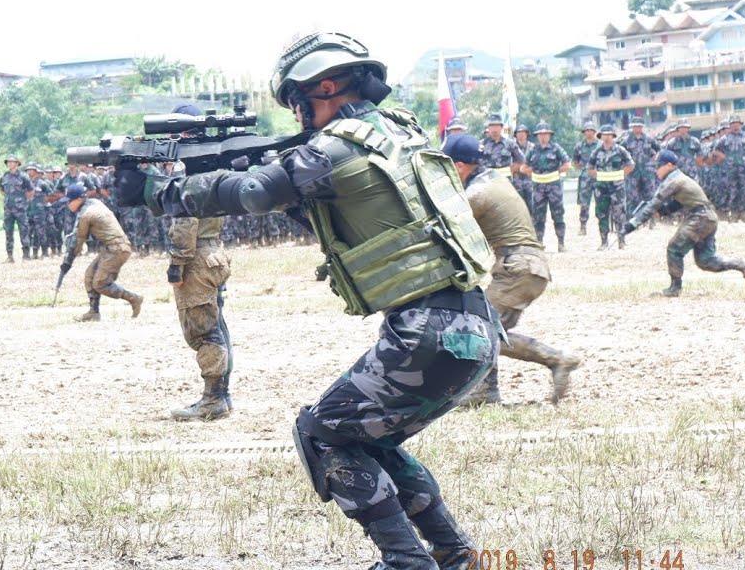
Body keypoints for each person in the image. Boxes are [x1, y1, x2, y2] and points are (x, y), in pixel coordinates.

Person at [115, 32, 498, 569]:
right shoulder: (398, 133)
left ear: (326, 86)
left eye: (298, 101)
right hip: (473, 325)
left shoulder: (336, 147)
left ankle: (406, 561)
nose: (297, 115)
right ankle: (455, 555)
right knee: (367, 438)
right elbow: (328, 213)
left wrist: (158, 192)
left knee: (321, 434)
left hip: (427, 331)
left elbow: (254, 192)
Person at [442, 136, 581, 405]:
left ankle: (556, 359)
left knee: (478, 328)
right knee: (491, 330)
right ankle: (488, 391)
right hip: (526, 266)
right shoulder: (494, 179)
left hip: (518, 267)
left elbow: (447, 225)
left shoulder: (477, 193)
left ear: (459, 167)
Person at [165, 103, 234, 421]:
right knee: (217, 328)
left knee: (204, 331)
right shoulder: (213, 167)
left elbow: (185, 220)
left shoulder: (190, 172)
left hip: (196, 257)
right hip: (214, 251)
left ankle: (212, 400)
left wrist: (176, 263)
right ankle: (222, 396)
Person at [625, 150, 745, 297]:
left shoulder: (673, 181)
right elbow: (680, 202)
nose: (656, 170)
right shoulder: (680, 178)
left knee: (674, 248)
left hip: (701, 217)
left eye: (658, 166)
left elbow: (654, 204)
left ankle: (675, 288)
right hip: (708, 217)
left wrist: (632, 224)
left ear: (669, 165)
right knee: (706, 260)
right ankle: (742, 265)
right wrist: (663, 212)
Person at [60, 183, 143, 322]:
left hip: (117, 249)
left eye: (69, 201)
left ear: (79, 199)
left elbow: (78, 241)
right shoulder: (94, 203)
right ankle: (93, 312)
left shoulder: (86, 214)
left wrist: (68, 261)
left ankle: (134, 298)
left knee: (100, 283)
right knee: (89, 275)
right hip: (112, 248)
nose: (67, 204)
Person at [521, 122, 570, 252]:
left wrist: (556, 172)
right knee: (538, 217)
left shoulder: (556, 148)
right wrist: (533, 172)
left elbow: (567, 164)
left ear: (549, 135)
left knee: (558, 215)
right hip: (538, 188)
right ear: (537, 136)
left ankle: (561, 243)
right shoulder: (533, 150)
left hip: (554, 188)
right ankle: (539, 243)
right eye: (540, 134)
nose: (543, 136)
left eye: (545, 134)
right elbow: (523, 167)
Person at [587, 125, 634, 250]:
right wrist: (598, 175)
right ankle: (604, 241)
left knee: (620, 214)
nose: (607, 137)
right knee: (602, 215)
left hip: (617, 188)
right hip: (601, 189)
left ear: (613, 136)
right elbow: (589, 168)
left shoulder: (620, 150)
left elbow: (630, 165)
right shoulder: (596, 152)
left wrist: (621, 174)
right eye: (604, 135)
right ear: (601, 137)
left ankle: (621, 241)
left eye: (609, 135)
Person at [709, 116, 745, 222]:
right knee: (733, 191)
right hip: (731, 169)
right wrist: (724, 157)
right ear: (730, 125)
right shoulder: (725, 138)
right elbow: (715, 151)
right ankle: (734, 213)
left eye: (737, 123)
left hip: (744, 169)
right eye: (733, 124)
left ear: (740, 124)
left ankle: (744, 213)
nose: (735, 125)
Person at [619, 119, 661, 215]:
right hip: (632, 173)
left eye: (639, 126)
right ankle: (633, 217)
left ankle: (649, 217)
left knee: (650, 195)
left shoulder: (649, 139)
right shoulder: (626, 140)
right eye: (635, 126)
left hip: (648, 172)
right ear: (632, 127)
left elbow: (659, 150)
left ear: (642, 127)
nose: (637, 128)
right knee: (632, 196)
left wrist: (655, 159)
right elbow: (619, 153)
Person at [0, 154, 34, 262]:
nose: (9, 164)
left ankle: (26, 256)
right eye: (8, 162)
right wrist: (10, 199)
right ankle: (10, 256)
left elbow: (31, 191)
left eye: (11, 162)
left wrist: (22, 201)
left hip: (20, 210)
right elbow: (2, 190)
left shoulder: (23, 177)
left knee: (24, 231)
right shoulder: (4, 176)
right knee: (8, 232)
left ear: (17, 164)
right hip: (8, 209)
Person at [571, 121, 601, 236]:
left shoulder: (600, 145)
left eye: (591, 130)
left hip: (598, 177)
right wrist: (583, 168)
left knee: (601, 202)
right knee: (584, 204)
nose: (589, 133)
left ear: (594, 132)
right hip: (585, 178)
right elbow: (575, 160)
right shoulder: (579, 146)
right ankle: (583, 226)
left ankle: (602, 225)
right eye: (587, 131)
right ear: (584, 133)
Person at [478, 113, 524, 182]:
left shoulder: (510, 144)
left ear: (501, 127)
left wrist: (511, 169)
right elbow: (474, 162)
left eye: (497, 126)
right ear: (488, 127)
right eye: (492, 126)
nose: (494, 129)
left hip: (505, 182)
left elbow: (521, 160)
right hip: (486, 182)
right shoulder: (481, 144)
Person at [511, 123, 534, 211]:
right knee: (517, 206)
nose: (521, 135)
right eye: (519, 133)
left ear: (527, 134)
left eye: (523, 133)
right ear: (516, 135)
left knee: (531, 205)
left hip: (529, 179)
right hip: (515, 179)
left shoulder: (532, 147)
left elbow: (535, 163)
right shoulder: (511, 146)